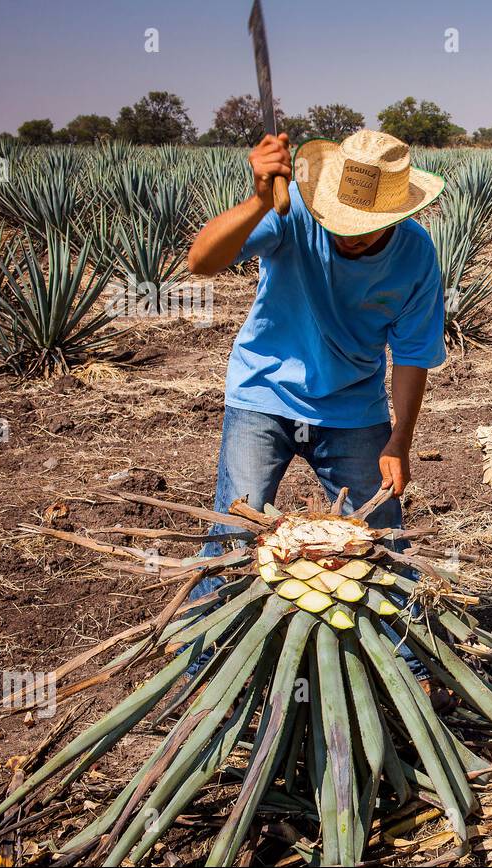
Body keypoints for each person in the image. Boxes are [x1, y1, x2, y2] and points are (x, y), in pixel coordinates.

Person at [185, 129, 447, 688]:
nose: (348, 237)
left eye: (365, 227)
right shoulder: (293, 210)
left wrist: (399, 441)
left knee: (379, 539)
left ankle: (404, 671)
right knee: (234, 532)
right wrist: (259, 197)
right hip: (264, 394)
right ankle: (204, 669)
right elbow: (201, 262)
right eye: (342, 221)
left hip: (353, 408)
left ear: (397, 212)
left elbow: (413, 354)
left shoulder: (417, 256)